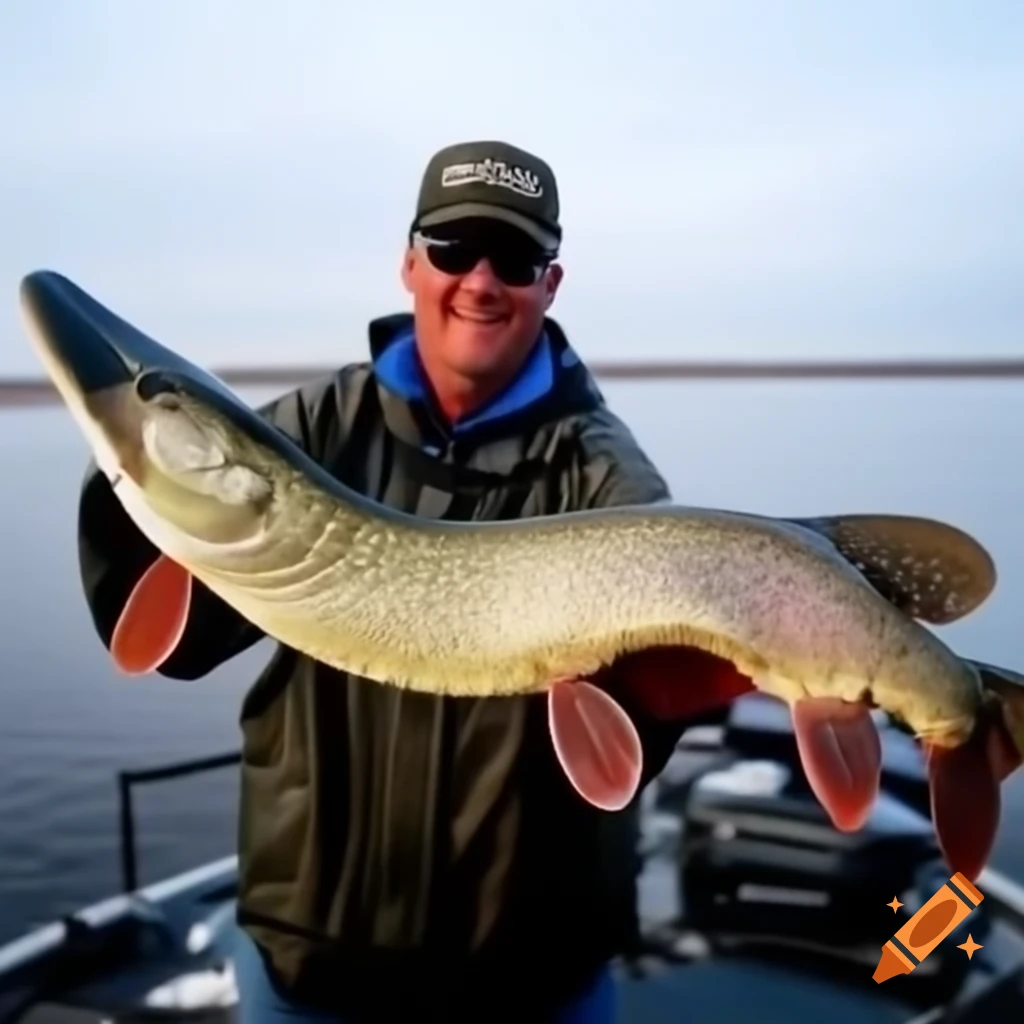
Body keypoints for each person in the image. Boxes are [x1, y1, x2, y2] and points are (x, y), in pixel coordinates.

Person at [75, 140, 739, 1022]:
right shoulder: (312, 429)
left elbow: (637, 723)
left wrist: (697, 679)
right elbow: (180, 642)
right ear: (410, 262)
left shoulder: (605, 477)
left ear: (551, 283)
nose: (481, 281)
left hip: (528, 978)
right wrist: (126, 488)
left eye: (515, 258)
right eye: (455, 250)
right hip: (315, 960)